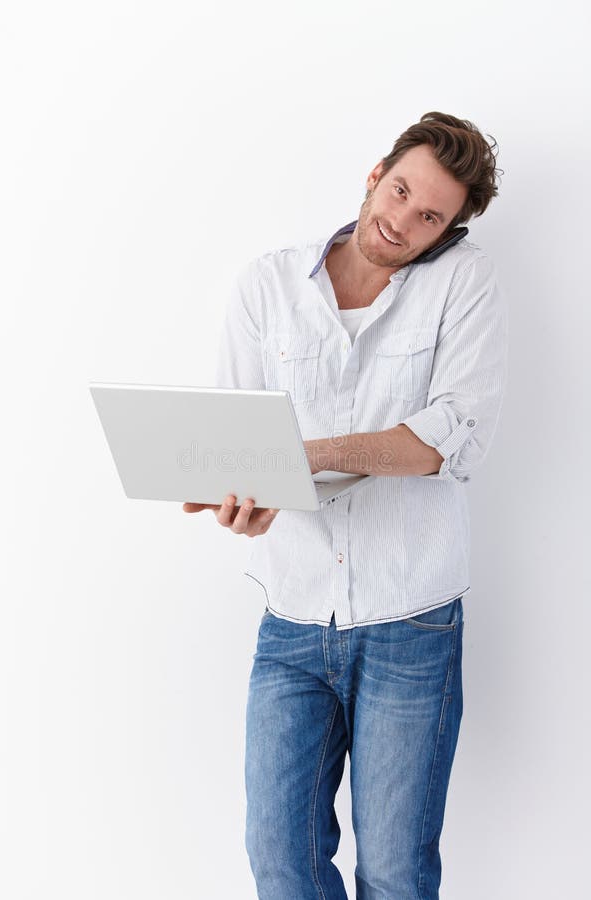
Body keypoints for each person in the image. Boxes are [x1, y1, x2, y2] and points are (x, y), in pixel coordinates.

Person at [183, 111, 508, 899]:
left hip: (413, 619)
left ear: (449, 231)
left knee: (395, 872)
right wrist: (246, 498)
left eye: (429, 216)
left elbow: (449, 438)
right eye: (398, 192)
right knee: (281, 860)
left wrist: (312, 456)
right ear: (374, 175)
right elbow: (233, 439)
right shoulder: (268, 284)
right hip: (291, 617)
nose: (400, 222)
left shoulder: (463, 284)